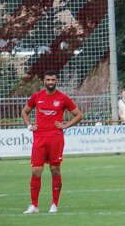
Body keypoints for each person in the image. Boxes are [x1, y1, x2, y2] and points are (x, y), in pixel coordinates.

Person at [21, 72, 84, 214]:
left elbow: (79, 115)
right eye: (48, 79)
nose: (50, 82)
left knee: (55, 169)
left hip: (55, 138)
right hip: (39, 138)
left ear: (57, 81)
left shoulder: (63, 98)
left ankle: (54, 204)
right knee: (36, 171)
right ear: (44, 81)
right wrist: (29, 126)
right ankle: (34, 205)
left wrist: (65, 125)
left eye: (53, 79)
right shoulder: (37, 97)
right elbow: (24, 112)